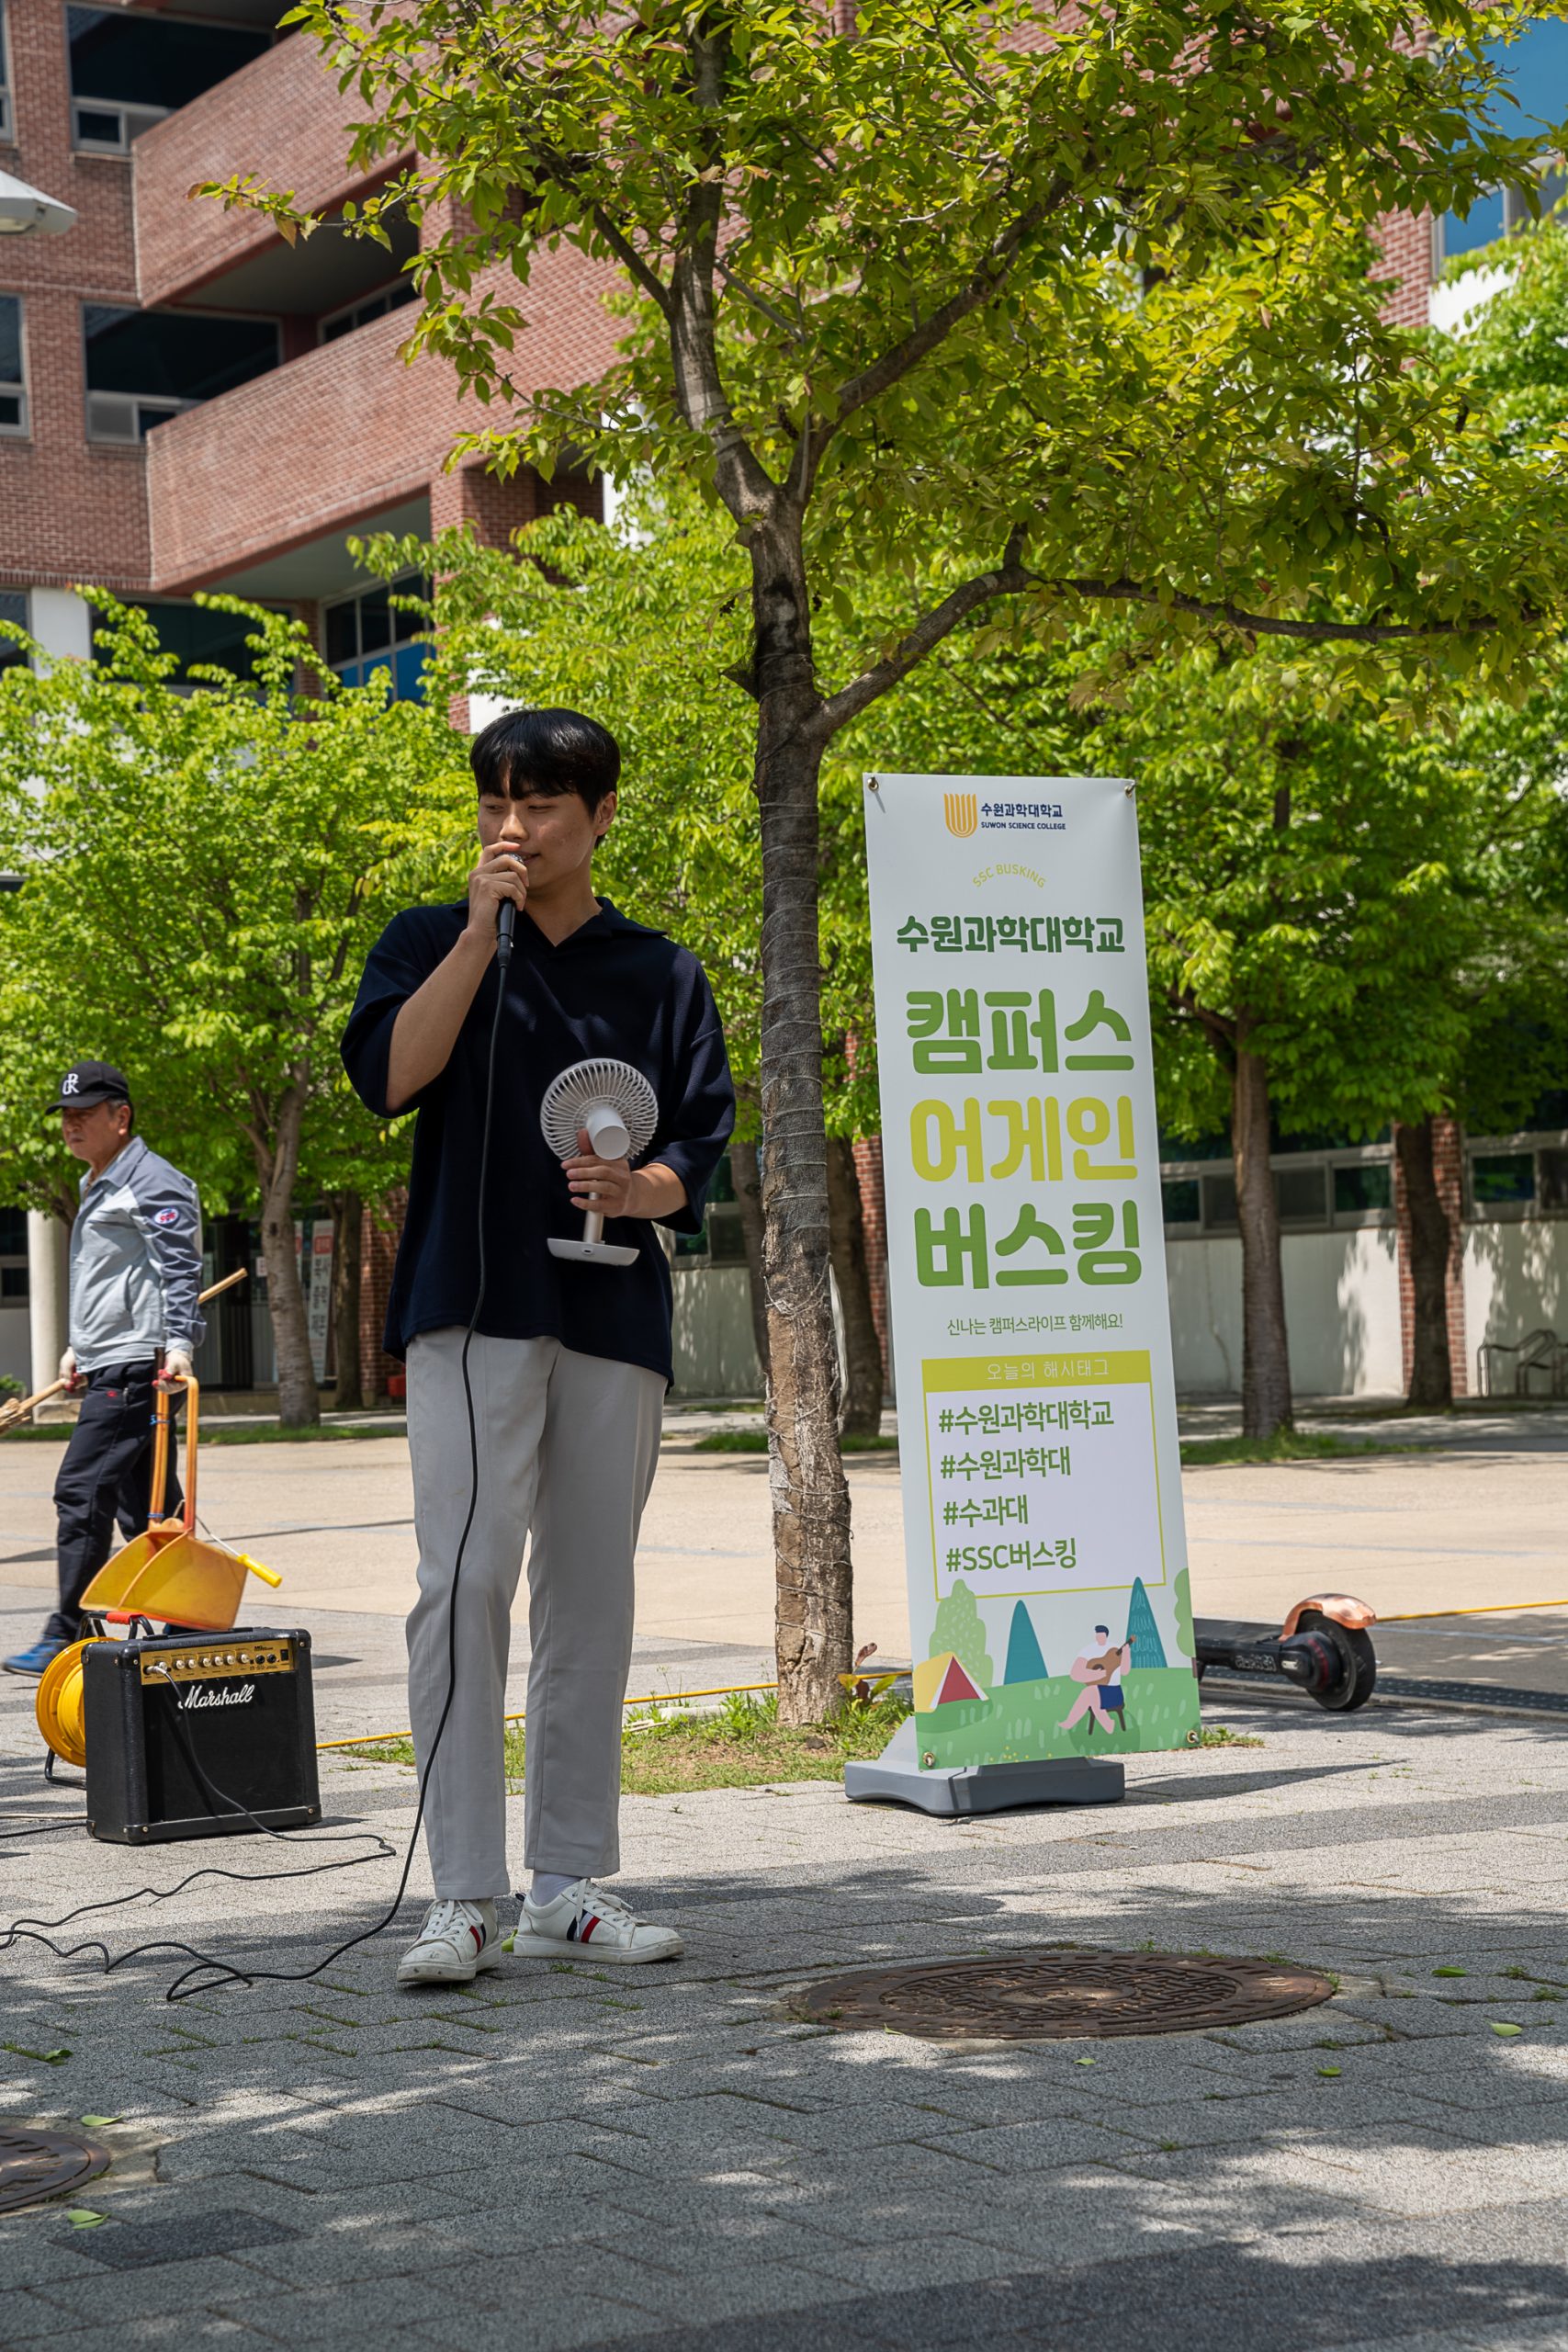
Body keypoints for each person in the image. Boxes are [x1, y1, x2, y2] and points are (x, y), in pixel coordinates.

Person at [341, 707, 735, 1987]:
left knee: (590, 1595)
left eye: (542, 805)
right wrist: (474, 936)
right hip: (468, 1310)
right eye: (495, 803)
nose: (513, 827)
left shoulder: (661, 971)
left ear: (601, 814)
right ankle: (460, 1892)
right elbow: (392, 1079)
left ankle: (565, 1884)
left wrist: (645, 1195)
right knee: (460, 1587)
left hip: (611, 1317)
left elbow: (698, 1149)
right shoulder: (429, 941)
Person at [3, 1062, 203, 1677]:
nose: (71, 1126)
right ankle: (190, 1617)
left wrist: (179, 1346)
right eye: (66, 1115)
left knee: (80, 1492)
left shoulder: (152, 1181)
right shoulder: (101, 1179)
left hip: (136, 1368)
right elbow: (110, 1278)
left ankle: (68, 1630)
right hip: (107, 1360)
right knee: (148, 1505)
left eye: (85, 1114)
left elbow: (178, 1269)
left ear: (122, 1117)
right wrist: (78, 1349)